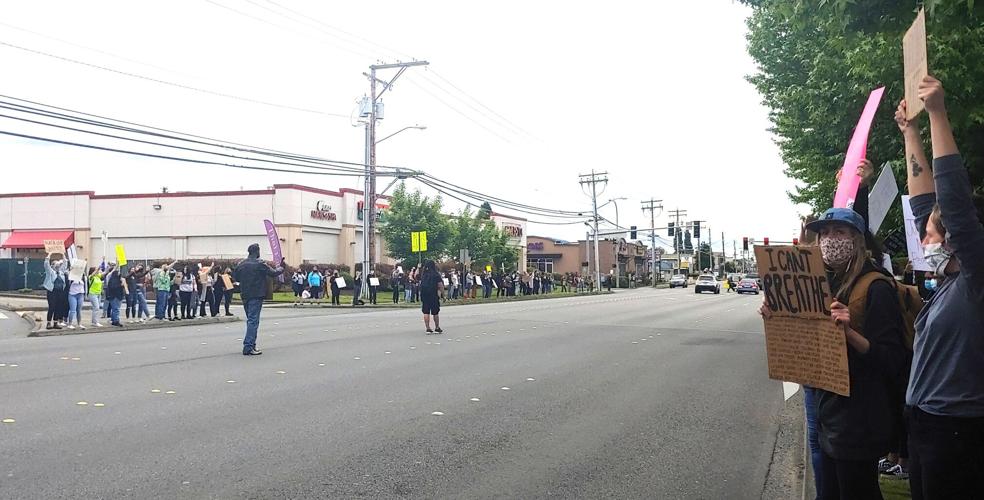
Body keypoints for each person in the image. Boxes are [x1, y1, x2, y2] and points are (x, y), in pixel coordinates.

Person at [761, 207, 907, 500]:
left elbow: (894, 360)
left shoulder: (875, 286)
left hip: (859, 418)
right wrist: (776, 316)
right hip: (832, 410)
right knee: (832, 491)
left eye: (839, 232)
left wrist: (850, 334)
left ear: (856, 239)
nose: (829, 240)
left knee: (856, 491)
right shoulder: (831, 283)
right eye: (824, 233)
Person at [896, 77, 984, 499]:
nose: (923, 242)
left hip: (959, 433)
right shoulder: (947, 284)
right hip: (927, 425)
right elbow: (922, 208)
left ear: (953, 240)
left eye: (931, 235)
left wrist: (936, 115)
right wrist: (910, 132)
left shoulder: (975, 279)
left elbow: (953, 204)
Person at [233, 243, 285, 356]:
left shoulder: (241, 264)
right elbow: (273, 273)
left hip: (245, 294)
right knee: (253, 320)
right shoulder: (260, 264)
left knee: (250, 319)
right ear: (257, 251)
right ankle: (248, 346)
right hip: (256, 294)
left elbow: (236, 277)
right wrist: (281, 267)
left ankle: (251, 343)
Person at [418, 259, 445, 334]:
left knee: (426, 311)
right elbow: (440, 285)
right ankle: (437, 327)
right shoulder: (436, 274)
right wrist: (443, 295)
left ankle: (428, 328)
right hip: (433, 295)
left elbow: (418, 279)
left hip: (424, 295)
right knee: (435, 312)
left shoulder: (424, 274)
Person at [42, 253, 67, 330]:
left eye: (58, 265)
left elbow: (65, 264)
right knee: (52, 307)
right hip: (52, 291)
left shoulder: (61, 272)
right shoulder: (51, 272)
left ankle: (55, 322)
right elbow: (46, 264)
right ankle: (49, 323)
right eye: (56, 265)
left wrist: (63, 255)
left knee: (58, 307)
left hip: (60, 291)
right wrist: (49, 255)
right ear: (52, 266)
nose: (58, 266)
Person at [103, 262, 128, 327]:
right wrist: (117, 265)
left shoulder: (118, 278)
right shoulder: (110, 276)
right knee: (116, 308)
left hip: (118, 294)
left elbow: (123, 280)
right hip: (113, 295)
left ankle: (114, 319)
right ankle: (116, 321)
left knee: (116, 308)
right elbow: (114, 285)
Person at [65, 262, 86, 330]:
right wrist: (71, 269)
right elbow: (66, 273)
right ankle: (70, 323)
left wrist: (85, 294)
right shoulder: (72, 277)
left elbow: (85, 285)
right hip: (72, 294)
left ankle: (79, 323)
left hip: (80, 294)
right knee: (73, 310)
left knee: (79, 310)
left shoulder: (83, 277)